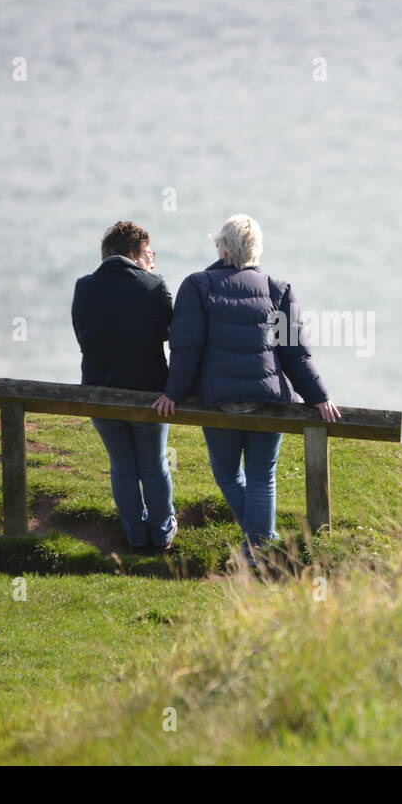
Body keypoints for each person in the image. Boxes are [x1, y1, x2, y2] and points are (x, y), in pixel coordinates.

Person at [154, 214, 340, 565]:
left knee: (227, 474)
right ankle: (261, 547)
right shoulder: (279, 288)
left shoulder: (197, 285)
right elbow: (294, 352)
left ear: (223, 249)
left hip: (219, 401)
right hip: (268, 401)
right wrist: (320, 397)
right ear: (257, 250)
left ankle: (259, 546)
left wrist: (173, 392)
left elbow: (186, 348)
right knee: (262, 477)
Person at [72, 221, 178, 551]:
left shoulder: (84, 286)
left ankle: (135, 533)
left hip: (99, 392)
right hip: (147, 393)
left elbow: (83, 332)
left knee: (122, 466)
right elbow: (168, 332)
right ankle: (161, 532)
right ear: (135, 253)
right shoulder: (153, 285)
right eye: (149, 253)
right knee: (154, 464)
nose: (152, 259)